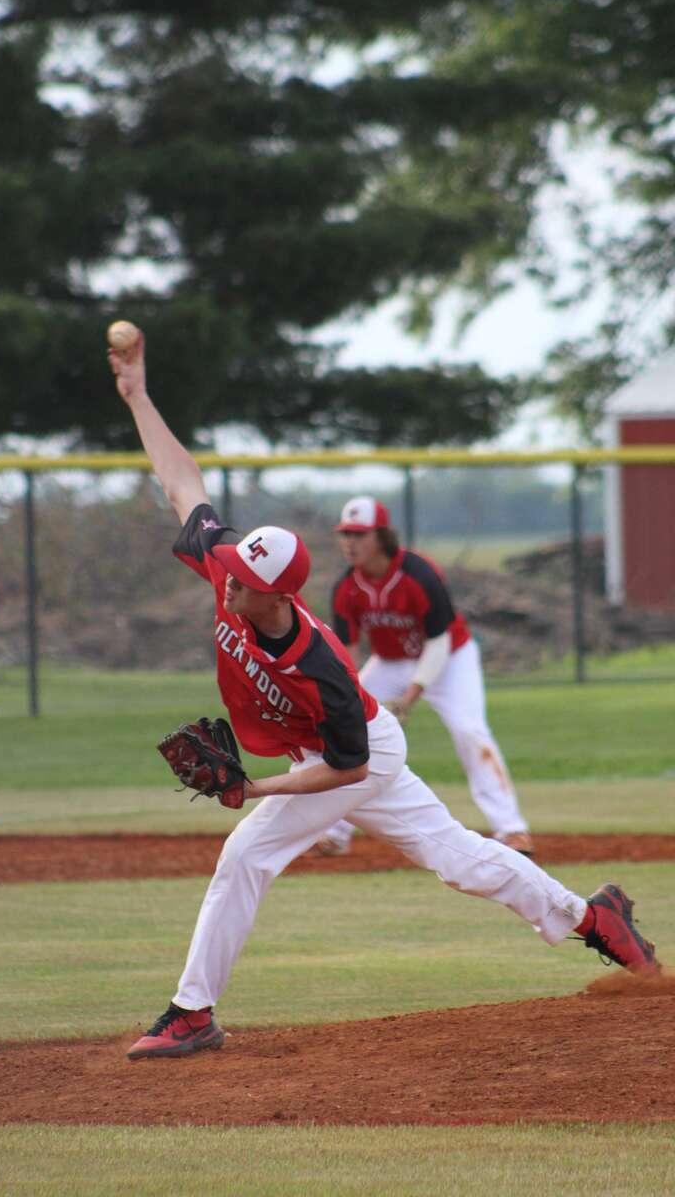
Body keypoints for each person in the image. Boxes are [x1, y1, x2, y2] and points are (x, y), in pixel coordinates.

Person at [107, 329, 659, 1061]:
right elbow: (185, 483)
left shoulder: (319, 663)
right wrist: (139, 394)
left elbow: (349, 767)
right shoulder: (229, 572)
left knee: (246, 856)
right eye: (230, 567)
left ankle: (191, 1012)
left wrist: (257, 786)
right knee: (460, 860)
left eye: (241, 576)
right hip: (344, 754)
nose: (226, 577)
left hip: (354, 753)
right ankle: (594, 919)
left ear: (274, 595)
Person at [317, 496, 532, 858]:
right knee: (346, 729)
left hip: (450, 658)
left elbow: (439, 640)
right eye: (346, 534)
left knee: (470, 730)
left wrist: (409, 698)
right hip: (389, 662)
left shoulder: (419, 574)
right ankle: (335, 833)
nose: (350, 543)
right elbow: (346, 653)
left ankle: (512, 829)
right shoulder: (346, 588)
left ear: (382, 537)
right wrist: (351, 697)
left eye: (360, 534)